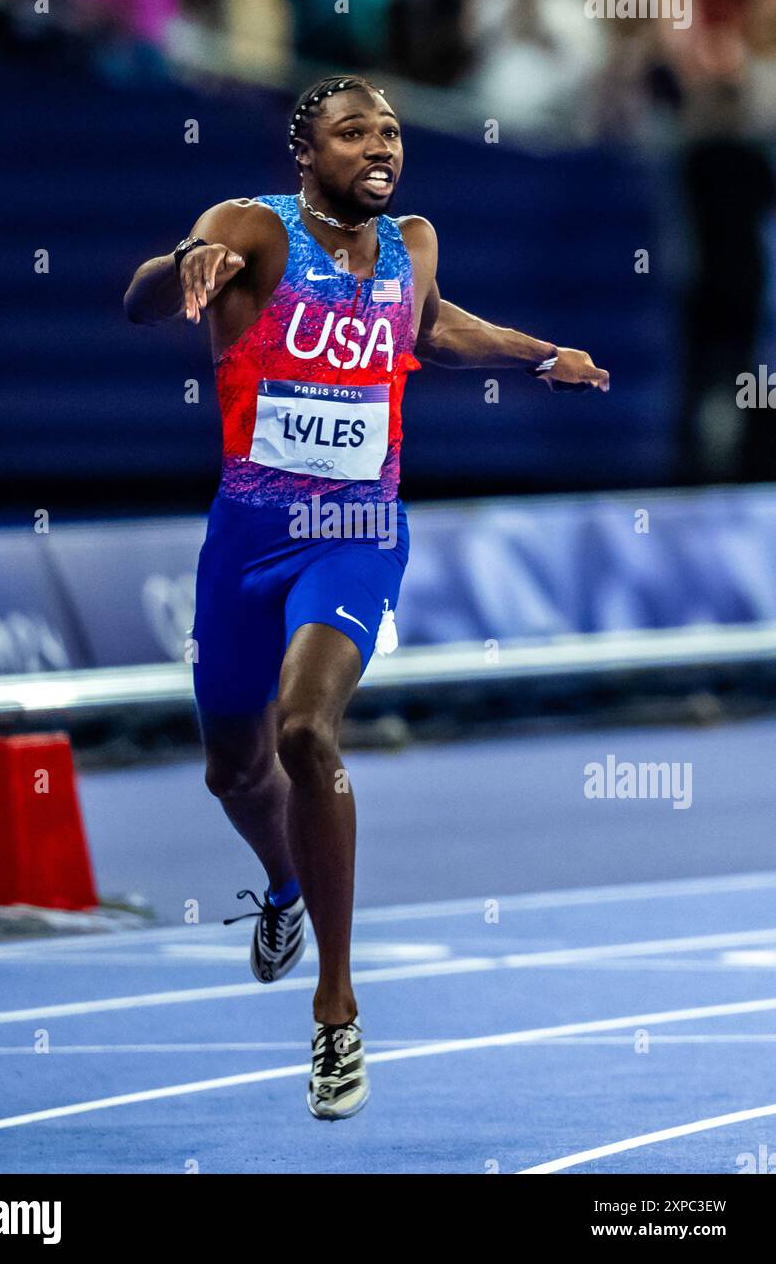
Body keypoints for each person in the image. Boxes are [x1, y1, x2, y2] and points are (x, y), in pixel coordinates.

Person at [124, 73, 609, 1119]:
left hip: (355, 533)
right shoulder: (247, 229)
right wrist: (181, 267)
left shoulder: (412, 243)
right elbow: (141, 298)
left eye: (389, 131)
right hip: (246, 538)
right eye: (353, 134)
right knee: (234, 771)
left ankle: (335, 1012)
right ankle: (284, 887)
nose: (379, 147)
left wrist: (536, 354)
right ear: (307, 152)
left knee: (306, 731)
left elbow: (430, 327)